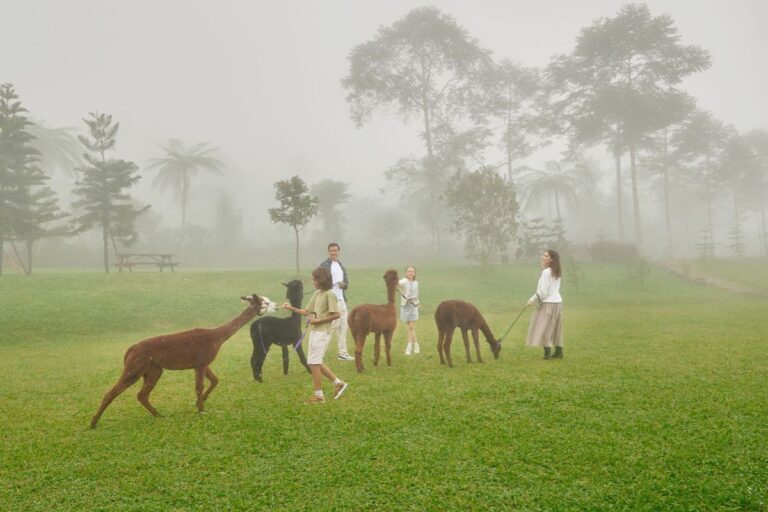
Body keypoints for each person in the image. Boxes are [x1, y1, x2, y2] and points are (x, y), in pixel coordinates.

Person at [282, 266, 348, 403]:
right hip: (314, 332)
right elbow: (306, 312)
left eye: (314, 279)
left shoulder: (330, 294)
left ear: (321, 280)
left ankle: (319, 396)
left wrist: (319, 320)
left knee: (314, 362)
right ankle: (338, 383)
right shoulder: (317, 294)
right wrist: (290, 308)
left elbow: (337, 314)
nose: (312, 282)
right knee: (314, 362)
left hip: (322, 333)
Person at [526, 249, 564, 359]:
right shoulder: (556, 271)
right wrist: (544, 268)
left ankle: (547, 354)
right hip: (557, 303)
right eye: (544, 255)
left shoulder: (546, 272)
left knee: (546, 327)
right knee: (556, 328)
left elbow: (543, 292)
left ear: (552, 259)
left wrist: (532, 299)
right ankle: (559, 352)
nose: (543, 257)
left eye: (546, 256)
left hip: (548, 304)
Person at [319, 242, 353, 361]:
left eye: (335, 250)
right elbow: (319, 281)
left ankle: (342, 353)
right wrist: (328, 284)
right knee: (332, 327)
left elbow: (346, 284)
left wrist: (343, 284)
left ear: (338, 251)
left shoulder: (340, 265)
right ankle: (319, 353)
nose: (333, 252)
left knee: (343, 327)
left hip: (341, 300)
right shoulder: (324, 265)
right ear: (328, 252)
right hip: (331, 300)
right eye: (331, 251)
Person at [398, 265, 421, 355]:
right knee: (411, 328)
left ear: (414, 273)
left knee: (411, 327)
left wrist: (418, 303)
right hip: (405, 306)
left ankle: (409, 346)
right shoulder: (404, 281)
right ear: (406, 273)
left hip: (413, 306)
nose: (410, 273)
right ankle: (416, 344)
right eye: (408, 271)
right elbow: (399, 283)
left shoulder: (416, 283)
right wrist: (394, 280)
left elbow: (416, 295)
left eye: (412, 271)